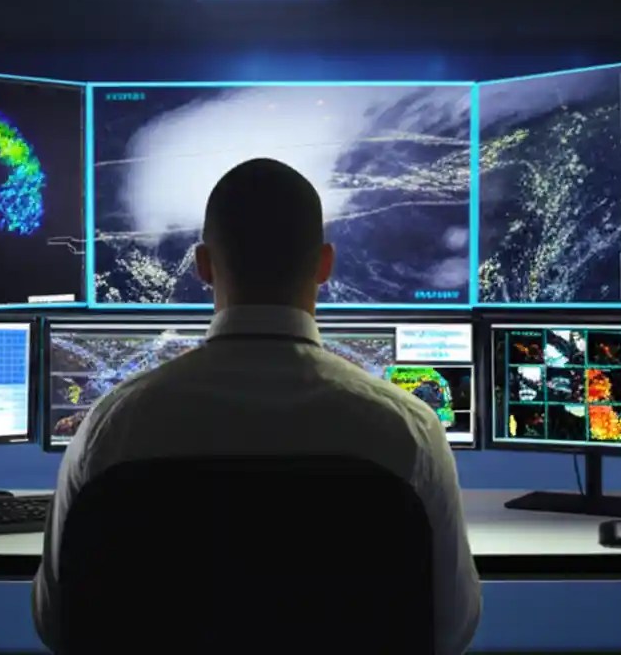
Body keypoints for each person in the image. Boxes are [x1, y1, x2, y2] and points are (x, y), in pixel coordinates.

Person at [32, 157, 481, 654]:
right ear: (326, 264)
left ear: (203, 266)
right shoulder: (411, 433)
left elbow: (59, 623)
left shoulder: (108, 429)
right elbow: (449, 631)